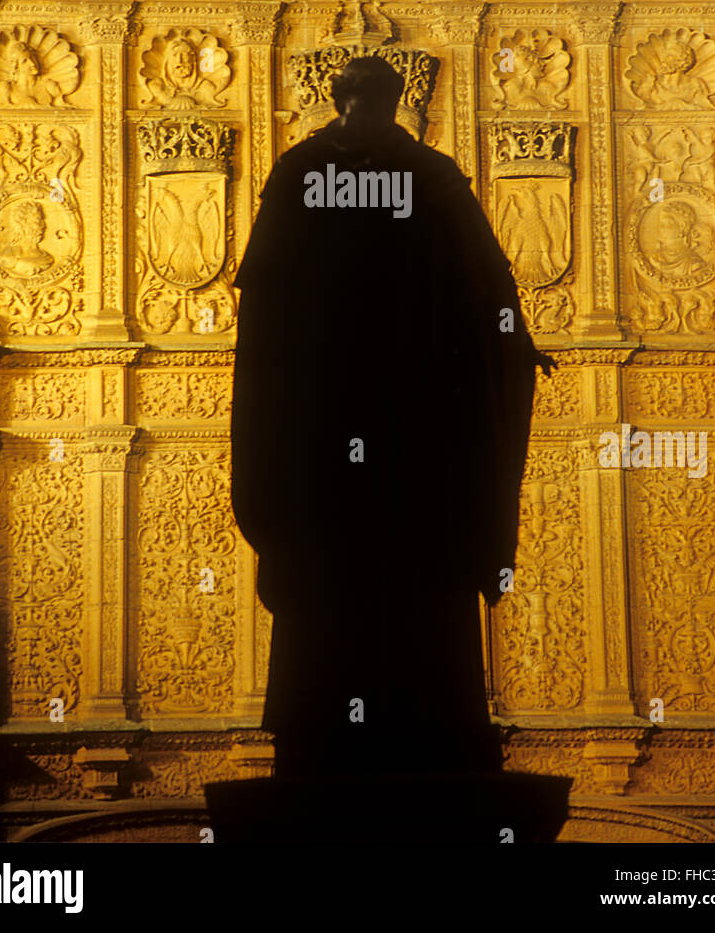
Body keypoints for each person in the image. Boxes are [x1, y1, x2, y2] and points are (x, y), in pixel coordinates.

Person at [230, 55, 554, 780]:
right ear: (340, 99)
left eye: (376, 98)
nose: (364, 109)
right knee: (347, 571)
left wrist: (512, 344)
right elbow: (266, 297)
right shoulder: (312, 174)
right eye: (356, 97)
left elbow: (485, 282)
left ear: (392, 100)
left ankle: (421, 729)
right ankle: (352, 732)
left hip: (411, 417)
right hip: (331, 410)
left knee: (407, 573)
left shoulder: (423, 178)